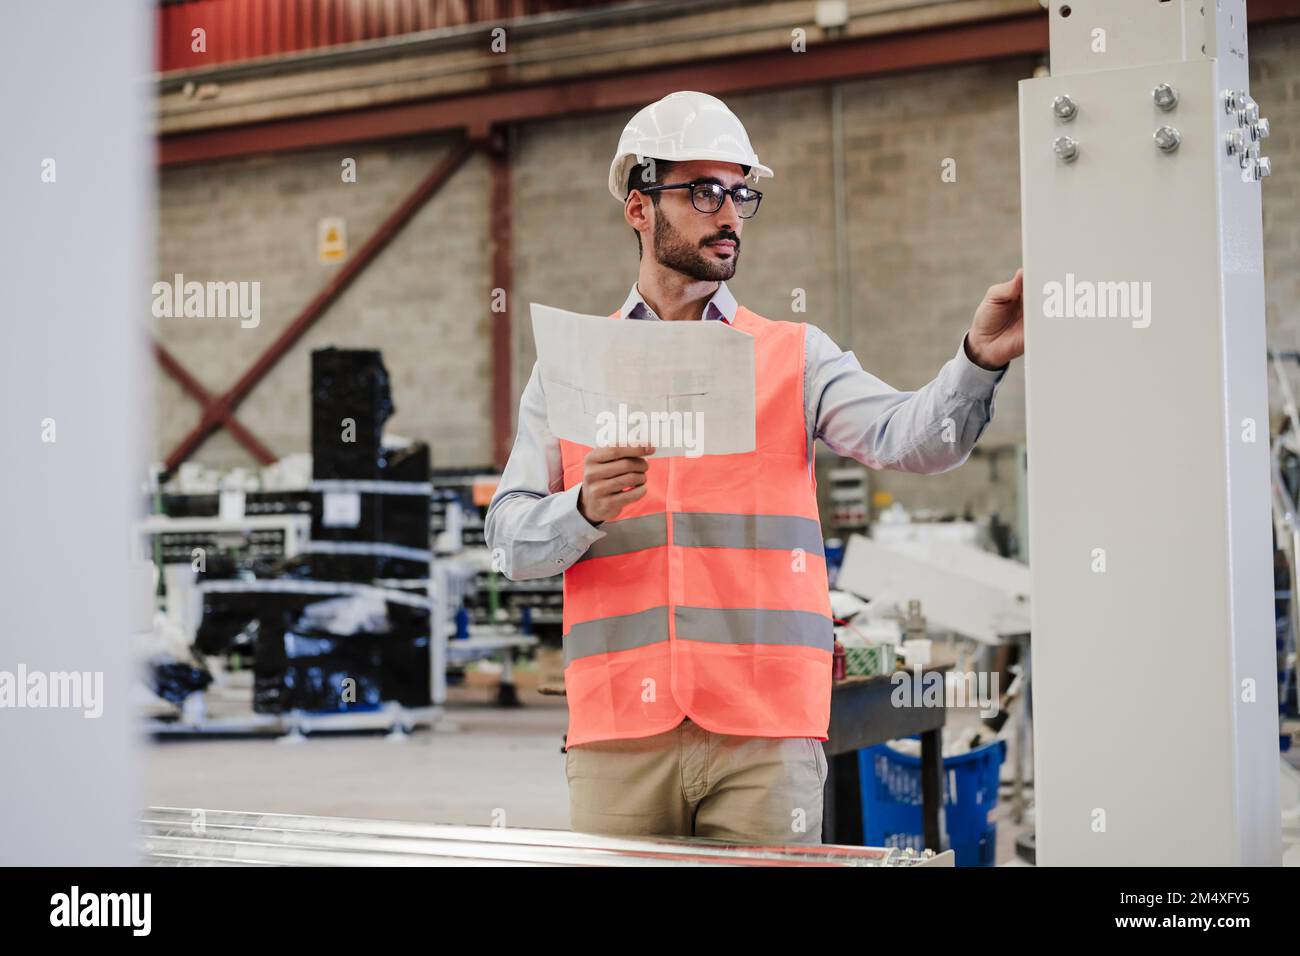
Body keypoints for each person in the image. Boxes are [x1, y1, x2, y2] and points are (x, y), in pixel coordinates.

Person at [486, 90, 1024, 845]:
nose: (729, 213)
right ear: (639, 207)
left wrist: (976, 362)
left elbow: (916, 439)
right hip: (618, 735)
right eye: (704, 191)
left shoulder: (793, 358)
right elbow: (508, 540)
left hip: (766, 739)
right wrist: (581, 508)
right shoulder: (575, 370)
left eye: (741, 193)